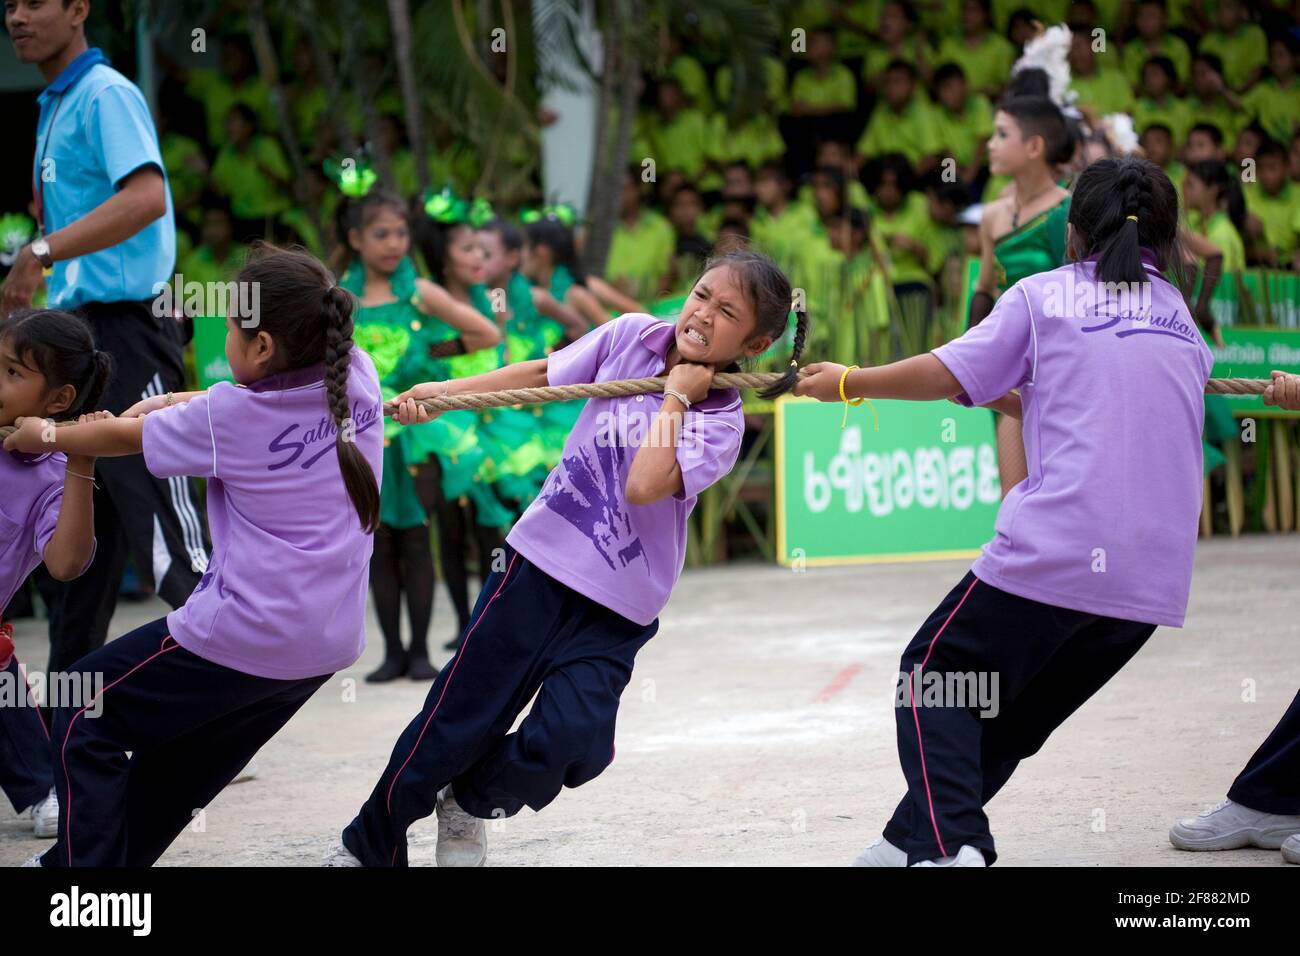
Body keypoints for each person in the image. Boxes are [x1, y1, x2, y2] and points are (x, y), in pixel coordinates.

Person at [324, 249, 807, 867]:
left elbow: (642, 485)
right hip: (534, 571)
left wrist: (678, 398)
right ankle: (368, 845)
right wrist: (446, 394)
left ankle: (470, 801)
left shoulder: (721, 422)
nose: (703, 313)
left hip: (617, 610)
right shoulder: (633, 336)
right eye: (701, 294)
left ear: (757, 342)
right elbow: (544, 374)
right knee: (456, 719)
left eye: (727, 311)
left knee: (574, 741)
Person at [796, 157, 1210, 866]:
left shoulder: (1042, 296)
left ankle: (957, 844)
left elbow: (945, 370)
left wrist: (848, 383)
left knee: (933, 674)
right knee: (1005, 716)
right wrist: (1011, 397)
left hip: (1063, 549)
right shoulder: (1181, 318)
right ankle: (912, 840)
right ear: (1167, 244)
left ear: (1072, 235)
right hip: (1153, 582)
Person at [4, 247, 383, 867]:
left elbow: (122, 439)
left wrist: (45, 433)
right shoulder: (356, 378)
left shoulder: (231, 417)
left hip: (245, 631)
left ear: (261, 346)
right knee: (177, 766)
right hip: (325, 644)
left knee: (80, 706)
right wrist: (181, 401)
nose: (222, 336)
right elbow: (238, 407)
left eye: (229, 327)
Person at [0, 0, 208, 675]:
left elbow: (147, 197)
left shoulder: (106, 93)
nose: (17, 17)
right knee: (80, 533)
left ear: (79, 9)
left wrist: (43, 249)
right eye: (9, 6)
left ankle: (223, 697)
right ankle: (68, 723)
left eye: (35, 3)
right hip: (80, 333)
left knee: (168, 531)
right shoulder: (57, 101)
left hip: (128, 326)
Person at [0, 309, 107, 839]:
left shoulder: (48, 477)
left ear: (58, 401)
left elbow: (66, 564)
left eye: (14, 373)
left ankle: (44, 787)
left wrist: (79, 457)